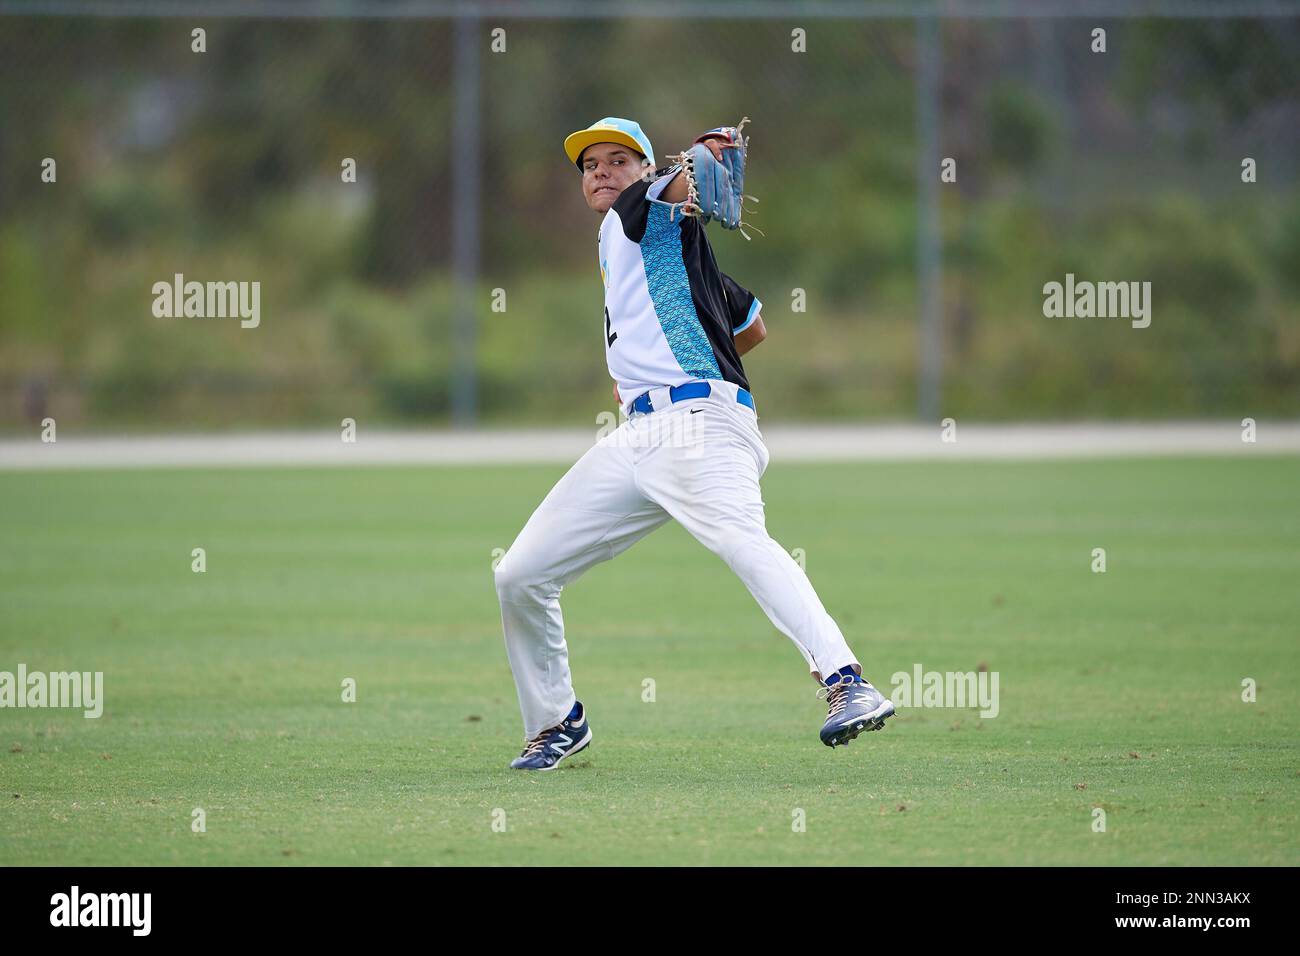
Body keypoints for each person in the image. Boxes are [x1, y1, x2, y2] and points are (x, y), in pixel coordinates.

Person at [494, 117, 894, 771]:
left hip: (697, 426)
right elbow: (753, 326)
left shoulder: (641, 207)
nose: (600, 171)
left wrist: (705, 152)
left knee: (741, 539)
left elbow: (682, 182)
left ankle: (847, 681)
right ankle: (558, 721)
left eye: (617, 159)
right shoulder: (674, 253)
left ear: (645, 169)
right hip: (638, 436)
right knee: (520, 574)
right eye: (589, 163)